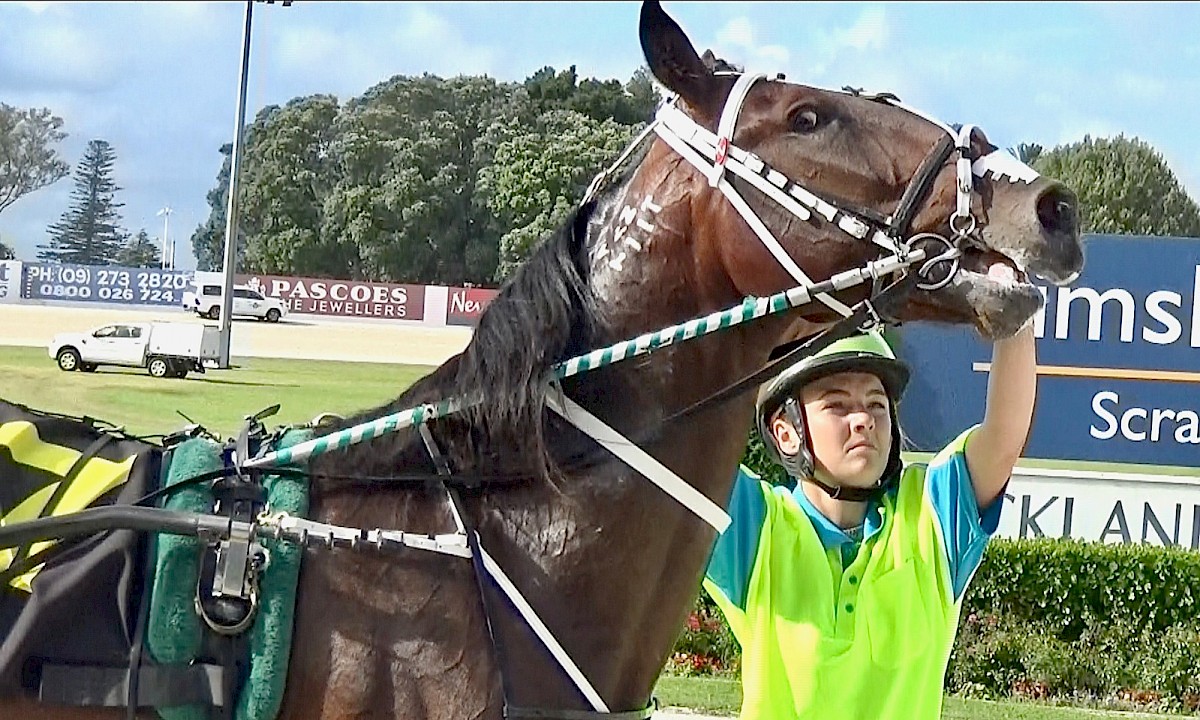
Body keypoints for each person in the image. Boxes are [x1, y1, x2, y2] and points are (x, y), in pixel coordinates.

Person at [704, 324, 1036, 720]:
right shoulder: (755, 527)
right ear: (786, 433)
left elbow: (1005, 434)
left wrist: (1016, 316)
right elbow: (675, 437)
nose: (863, 419)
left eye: (877, 405)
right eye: (837, 405)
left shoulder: (930, 514)